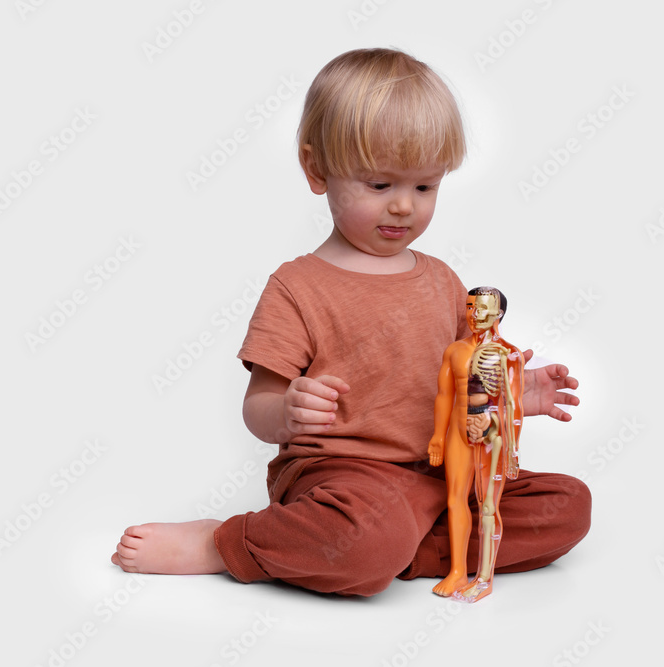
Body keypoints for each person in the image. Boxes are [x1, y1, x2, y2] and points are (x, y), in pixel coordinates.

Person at [111, 47, 591, 597]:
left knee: (567, 505)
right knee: (362, 534)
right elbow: (258, 405)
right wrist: (286, 412)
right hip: (346, 479)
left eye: (424, 187)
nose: (404, 206)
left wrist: (511, 394)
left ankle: (400, 550)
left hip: (441, 473)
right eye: (380, 185)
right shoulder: (298, 286)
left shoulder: (443, 280)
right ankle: (224, 543)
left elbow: (466, 385)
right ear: (317, 170)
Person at [428, 286, 523, 602]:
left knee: (488, 505)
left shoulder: (509, 354)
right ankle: (457, 571)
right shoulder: (454, 350)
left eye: (481, 307)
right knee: (455, 499)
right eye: (469, 307)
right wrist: (438, 436)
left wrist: (513, 450)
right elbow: (444, 395)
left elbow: (514, 404)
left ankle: (484, 578)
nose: (474, 314)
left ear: (499, 314)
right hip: (457, 431)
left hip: (491, 433)